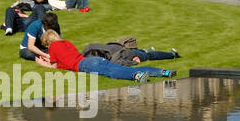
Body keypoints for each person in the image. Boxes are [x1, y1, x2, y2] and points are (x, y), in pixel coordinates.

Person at [38, 30, 175, 82]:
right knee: (118, 68)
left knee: (113, 72)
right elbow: (66, 57)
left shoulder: (53, 47)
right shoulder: (66, 42)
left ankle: (136, 76)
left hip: (85, 65)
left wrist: (43, 64)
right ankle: (162, 72)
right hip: (91, 60)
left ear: (48, 43)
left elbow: (55, 66)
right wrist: (49, 59)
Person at [80, 40, 180, 66]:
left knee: (149, 56)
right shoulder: (90, 48)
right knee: (142, 53)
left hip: (128, 52)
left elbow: (123, 63)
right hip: (119, 46)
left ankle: (172, 54)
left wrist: (135, 62)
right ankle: (146, 50)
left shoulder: (111, 60)